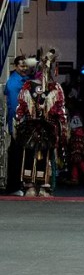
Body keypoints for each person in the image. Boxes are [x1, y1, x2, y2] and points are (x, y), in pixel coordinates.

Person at [14, 50, 68, 197]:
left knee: (31, 154)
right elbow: (61, 113)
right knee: (45, 155)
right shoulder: (56, 88)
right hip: (47, 129)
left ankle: (30, 186)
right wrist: (63, 132)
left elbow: (20, 110)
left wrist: (18, 125)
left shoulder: (27, 86)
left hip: (30, 129)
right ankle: (44, 186)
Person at [4, 56, 29, 196]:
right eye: (21, 66)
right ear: (15, 66)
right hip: (17, 124)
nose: (24, 68)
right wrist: (17, 125)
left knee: (19, 154)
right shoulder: (14, 83)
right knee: (16, 155)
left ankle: (17, 184)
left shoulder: (23, 80)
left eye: (25, 65)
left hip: (21, 124)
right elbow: (15, 108)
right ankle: (13, 186)